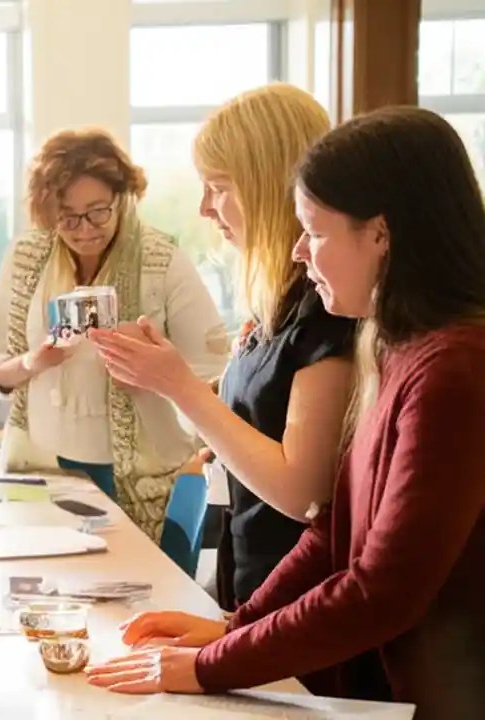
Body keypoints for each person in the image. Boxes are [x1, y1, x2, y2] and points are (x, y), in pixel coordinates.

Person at [86, 107, 485, 718]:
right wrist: (233, 629)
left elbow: (382, 589)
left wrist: (211, 664)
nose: (300, 251)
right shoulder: (394, 344)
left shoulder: (455, 368)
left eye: (317, 232)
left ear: (381, 234)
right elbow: (333, 532)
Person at [88, 84, 355, 608]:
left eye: (218, 187)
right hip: (250, 588)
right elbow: (238, 434)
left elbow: (303, 494)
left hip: (296, 606)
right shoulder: (271, 309)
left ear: (266, 185)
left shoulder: (326, 312)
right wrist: (167, 381)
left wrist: (179, 385)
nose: (206, 209)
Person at [0, 128, 228, 540]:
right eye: (68, 216)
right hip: (45, 465)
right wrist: (32, 363)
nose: (85, 229)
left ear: (122, 197)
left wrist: (154, 363)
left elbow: (213, 374)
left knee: (136, 594)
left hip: (141, 476)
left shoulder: (160, 260)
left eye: (98, 211)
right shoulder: (27, 256)